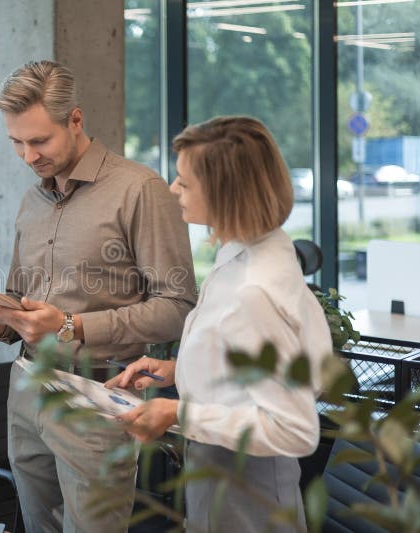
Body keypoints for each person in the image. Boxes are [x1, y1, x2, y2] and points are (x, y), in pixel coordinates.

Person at [0, 60, 196, 533]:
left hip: (96, 393)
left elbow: (178, 307)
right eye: (16, 142)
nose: (28, 156)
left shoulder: (140, 190)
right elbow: (21, 296)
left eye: (39, 140)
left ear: (75, 119)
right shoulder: (32, 200)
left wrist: (74, 326)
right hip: (27, 386)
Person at [105, 116, 332, 532]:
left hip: (250, 490)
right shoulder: (251, 247)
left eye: (185, 182)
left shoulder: (256, 287)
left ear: (226, 191)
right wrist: (184, 370)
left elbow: (294, 428)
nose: (173, 189)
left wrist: (178, 412)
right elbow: (265, 362)